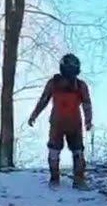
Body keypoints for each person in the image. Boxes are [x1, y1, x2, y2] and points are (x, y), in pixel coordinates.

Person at [28, 53, 93, 187]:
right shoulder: (58, 83)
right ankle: (63, 179)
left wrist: (88, 120)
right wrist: (34, 115)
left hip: (66, 122)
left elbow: (86, 103)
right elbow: (44, 100)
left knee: (71, 151)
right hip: (65, 123)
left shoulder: (76, 85)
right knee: (65, 150)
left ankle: (67, 179)